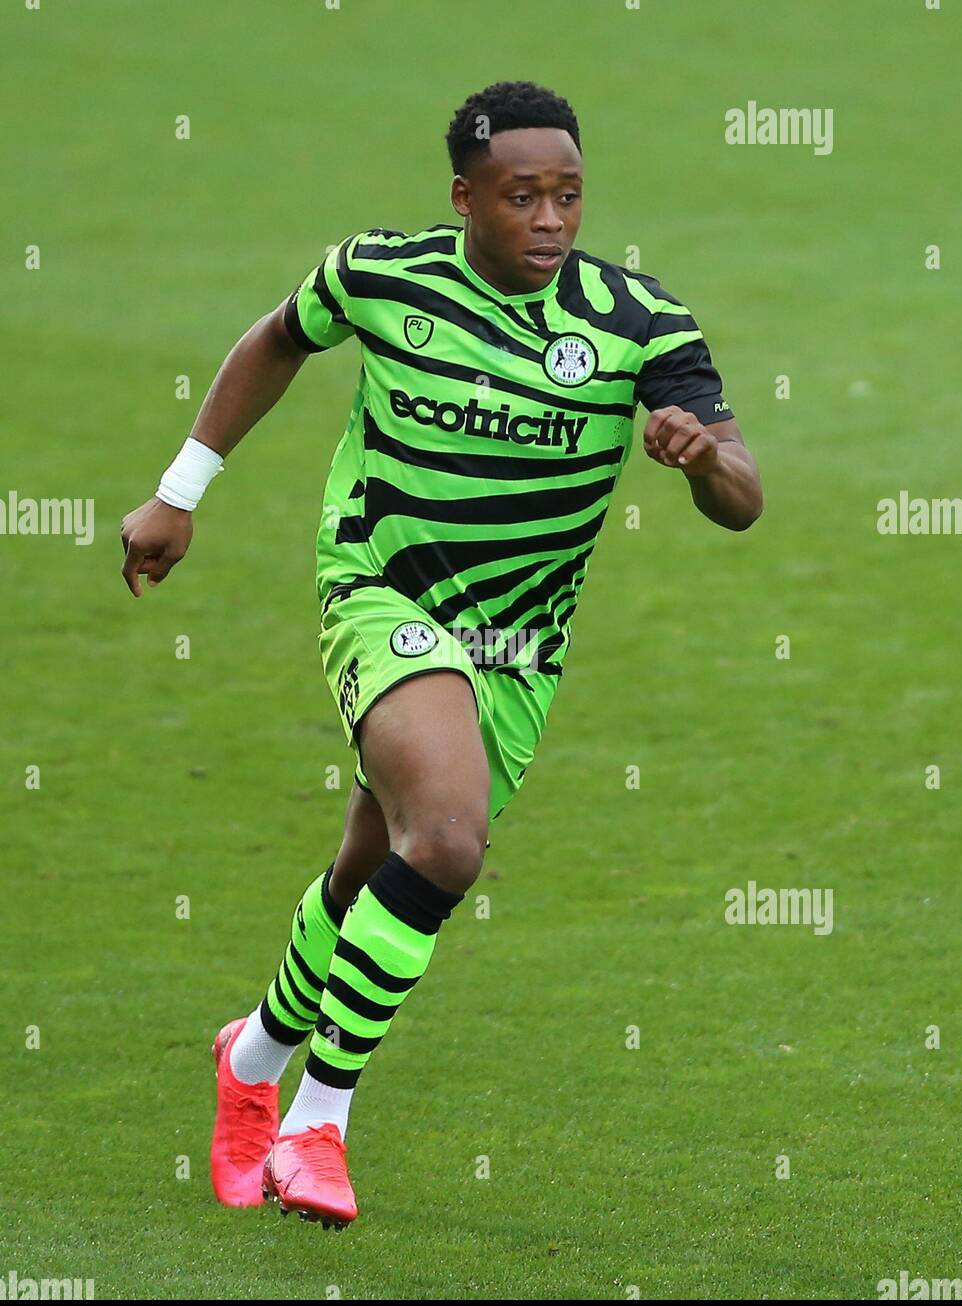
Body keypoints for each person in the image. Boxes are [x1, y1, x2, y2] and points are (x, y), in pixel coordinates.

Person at [120, 80, 762, 1228]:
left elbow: (745, 497)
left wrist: (699, 457)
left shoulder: (639, 322)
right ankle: (318, 1121)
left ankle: (253, 1055)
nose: (552, 220)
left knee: (381, 861)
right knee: (450, 838)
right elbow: (275, 339)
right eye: (523, 198)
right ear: (465, 199)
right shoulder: (382, 274)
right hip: (382, 591)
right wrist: (180, 493)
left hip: (517, 646)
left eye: (568, 195)